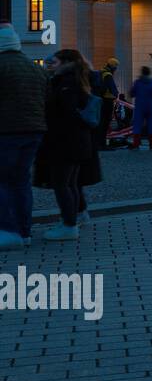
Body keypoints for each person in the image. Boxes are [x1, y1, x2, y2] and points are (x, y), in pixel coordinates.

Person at [34, 49, 101, 241]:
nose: (49, 65)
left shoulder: (66, 84)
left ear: (66, 63)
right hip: (76, 142)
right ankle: (71, 220)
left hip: (65, 142)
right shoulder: (77, 80)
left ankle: (69, 224)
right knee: (70, 183)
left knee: (62, 184)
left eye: (54, 62)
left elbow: (66, 114)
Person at [0, 24, 48, 249]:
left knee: (3, 181)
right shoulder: (34, 68)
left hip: (6, 131)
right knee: (21, 181)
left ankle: (8, 230)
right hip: (34, 130)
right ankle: (24, 230)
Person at [128, 66, 152, 150]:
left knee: (137, 126)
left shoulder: (137, 82)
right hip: (151, 106)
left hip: (140, 106)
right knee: (151, 126)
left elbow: (131, 93)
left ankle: (136, 144)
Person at [92, 57, 120, 150]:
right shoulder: (108, 74)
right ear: (113, 67)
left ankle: (99, 143)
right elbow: (112, 88)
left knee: (101, 122)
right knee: (105, 123)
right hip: (107, 100)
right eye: (115, 67)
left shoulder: (101, 72)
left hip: (101, 99)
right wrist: (116, 95)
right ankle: (102, 144)